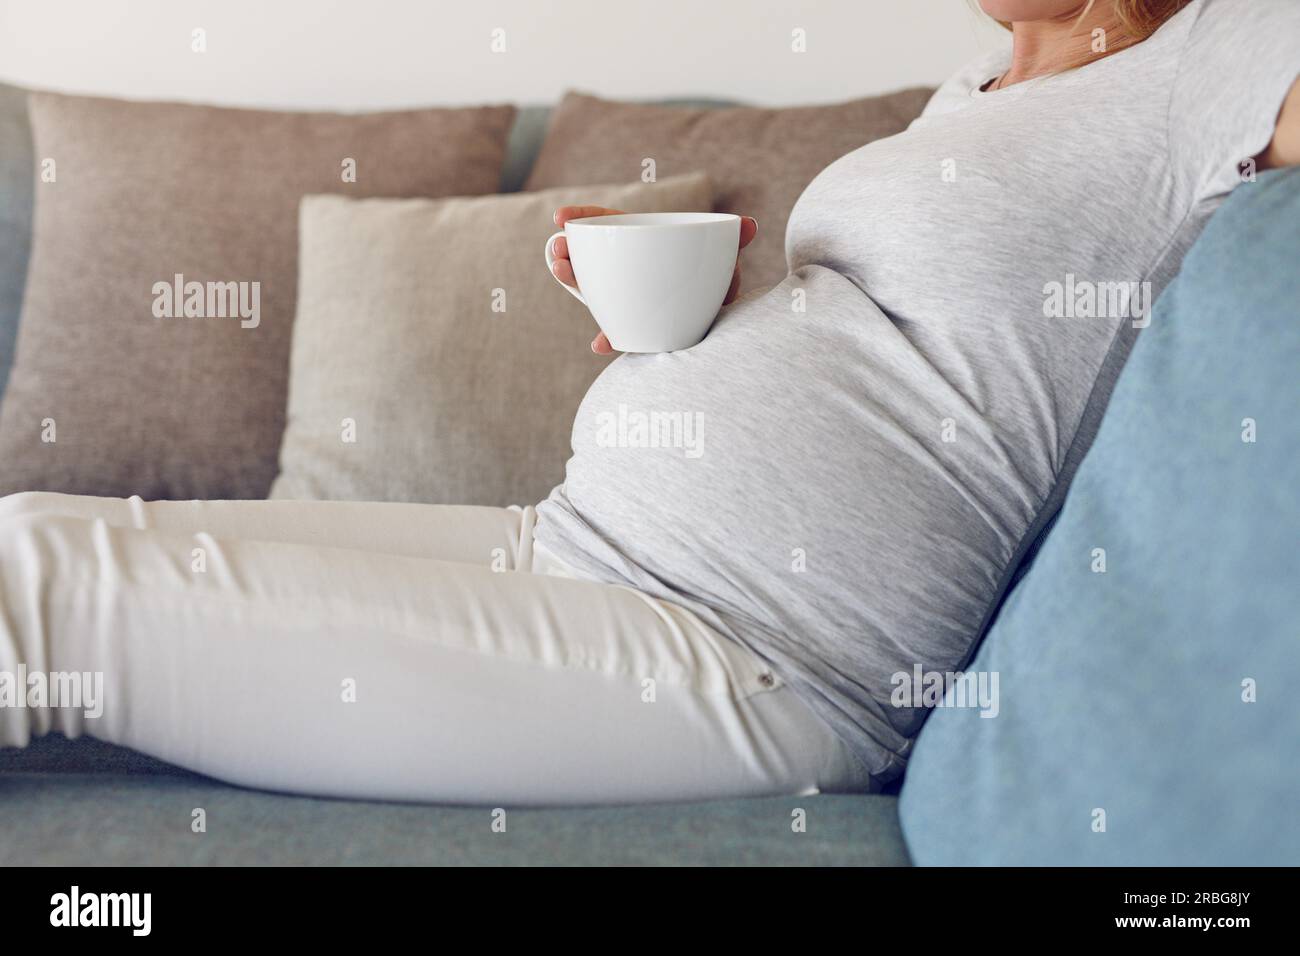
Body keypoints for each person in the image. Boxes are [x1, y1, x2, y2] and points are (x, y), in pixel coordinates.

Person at [1, 0, 1297, 805]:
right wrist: (691, 317)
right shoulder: (977, 95)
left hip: (753, 655)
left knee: (46, 596)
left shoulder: (1218, 56)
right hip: (571, 543)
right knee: (31, 526)